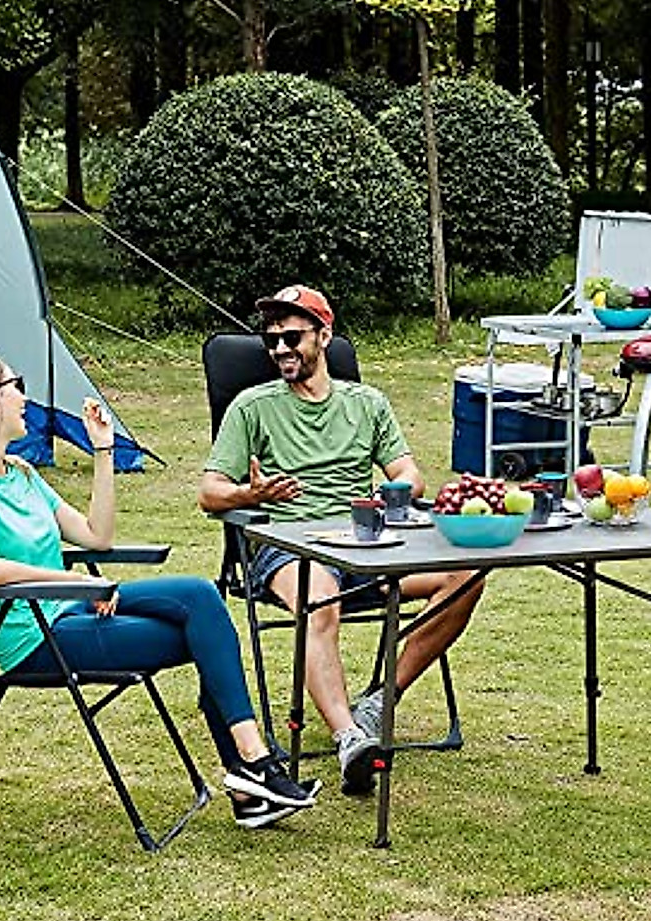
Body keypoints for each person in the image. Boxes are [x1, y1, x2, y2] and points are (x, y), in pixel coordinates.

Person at [0, 355, 317, 831]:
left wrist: (103, 450)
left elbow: (96, 536)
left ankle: (250, 771)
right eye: (17, 384)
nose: (25, 397)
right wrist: (80, 582)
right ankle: (252, 768)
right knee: (208, 637)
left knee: (201, 598)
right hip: (34, 639)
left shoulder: (23, 474)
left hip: (69, 613)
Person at [198, 285, 485, 795]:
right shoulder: (252, 407)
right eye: (272, 340)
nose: (280, 349)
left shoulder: (366, 404)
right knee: (320, 598)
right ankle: (349, 738)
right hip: (289, 547)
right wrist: (250, 493)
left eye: (292, 337)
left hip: (365, 544)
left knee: (466, 576)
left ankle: (379, 702)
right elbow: (209, 492)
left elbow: (410, 476)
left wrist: (388, 493)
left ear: (324, 337)